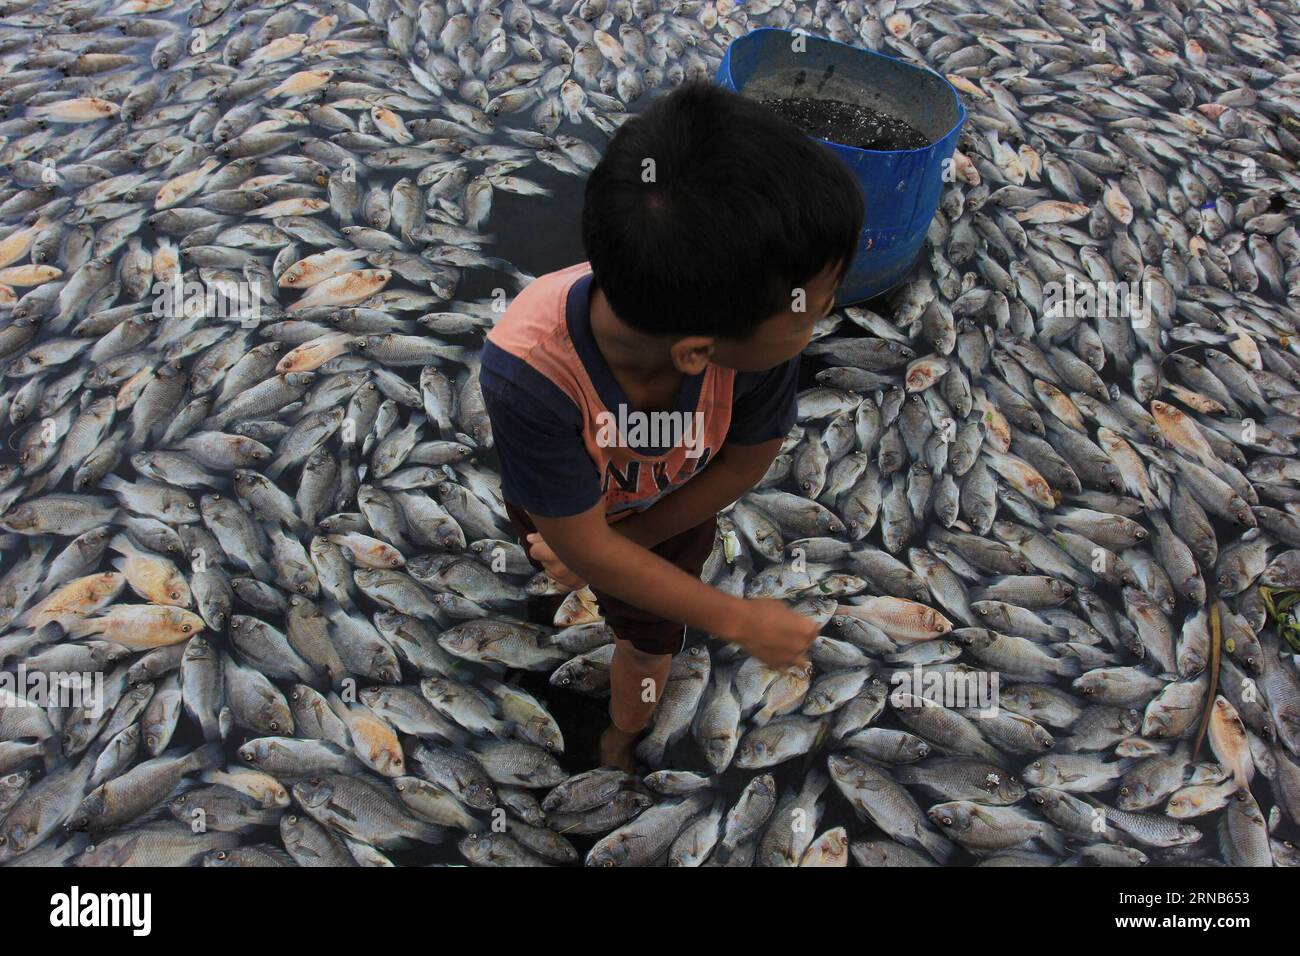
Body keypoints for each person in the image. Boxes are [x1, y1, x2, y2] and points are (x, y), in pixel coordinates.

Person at [479, 80, 865, 769]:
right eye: (814, 306)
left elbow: (745, 462)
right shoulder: (528, 375)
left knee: (651, 639)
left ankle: (620, 734)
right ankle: (618, 748)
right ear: (697, 352)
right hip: (570, 507)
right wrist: (738, 618)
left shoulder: (753, 333)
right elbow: (583, 538)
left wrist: (628, 543)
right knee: (574, 558)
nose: (821, 318)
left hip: (674, 502)